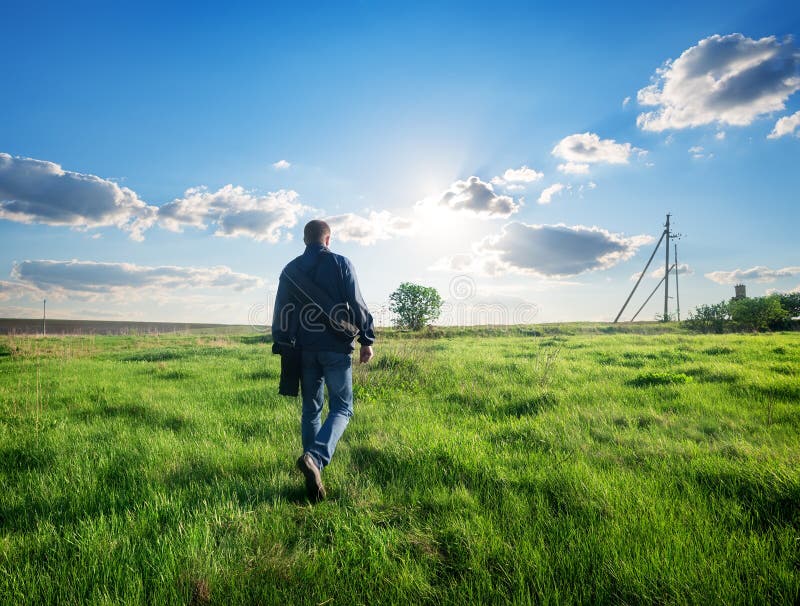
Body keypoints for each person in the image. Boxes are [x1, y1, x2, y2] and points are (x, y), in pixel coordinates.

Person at [271, 219, 375, 502]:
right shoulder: (341, 263)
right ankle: (315, 459)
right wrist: (367, 340)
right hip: (336, 347)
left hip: (303, 350)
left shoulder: (290, 270)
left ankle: (312, 472)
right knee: (343, 408)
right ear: (328, 239)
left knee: (311, 411)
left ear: (305, 240)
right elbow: (356, 302)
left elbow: (281, 309)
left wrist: (282, 342)